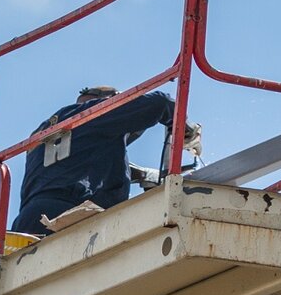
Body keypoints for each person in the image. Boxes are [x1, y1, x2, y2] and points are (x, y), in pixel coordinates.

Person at [11, 85, 182, 235]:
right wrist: (187, 130)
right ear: (109, 100)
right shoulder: (95, 113)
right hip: (70, 216)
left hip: (27, 221)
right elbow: (160, 102)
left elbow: (75, 166)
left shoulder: (44, 133)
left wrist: (140, 173)